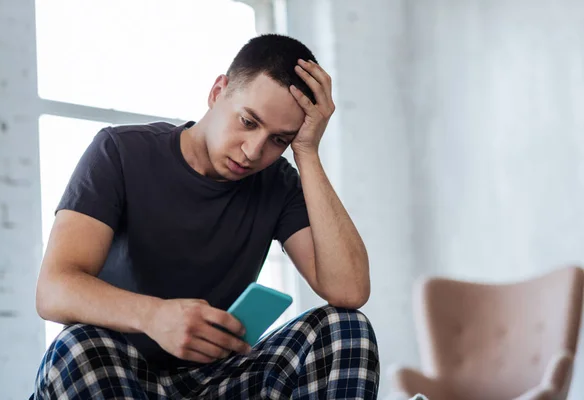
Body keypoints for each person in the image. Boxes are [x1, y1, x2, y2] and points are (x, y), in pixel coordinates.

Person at [31, 33, 379, 399]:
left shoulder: (278, 182)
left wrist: (306, 151)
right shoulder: (120, 151)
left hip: (217, 380)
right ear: (217, 92)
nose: (253, 151)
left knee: (344, 329)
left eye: (279, 140)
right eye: (248, 122)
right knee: (77, 347)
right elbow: (53, 289)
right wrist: (155, 316)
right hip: (119, 373)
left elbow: (349, 290)